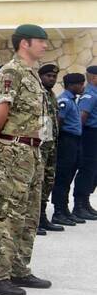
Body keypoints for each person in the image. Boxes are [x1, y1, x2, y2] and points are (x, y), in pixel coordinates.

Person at [0, 24, 52, 295]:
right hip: (15, 150)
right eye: (41, 41)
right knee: (8, 212)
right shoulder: (11, 71)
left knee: (29, 213)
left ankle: (20, 269)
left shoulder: (31, 74)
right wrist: (0, 138)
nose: (45, 46)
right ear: (25, 43)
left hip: (32, 151)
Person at [53, 72, 86, 224]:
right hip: (66, 140)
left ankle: (64, 209)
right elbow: (59, 121)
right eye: (80, 84)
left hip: (74, 140)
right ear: (72, 85)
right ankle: (58, 211)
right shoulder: (64, 100)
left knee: (69, 175)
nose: (82, 86)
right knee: (62, 176)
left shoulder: (72, 100)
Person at [37, 64, 63, 234]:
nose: (51, 79)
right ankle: (34, 220)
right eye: (48, 76)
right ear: (40, 76)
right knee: (38, 182)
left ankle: (42, 216)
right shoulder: (38, 94)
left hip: (51, 144)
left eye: (54, 77)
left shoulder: (52, 95)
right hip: (39, 145)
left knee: (48, 181)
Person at [75, 65, 97, 220]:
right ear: (95, 77)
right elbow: (82, 117)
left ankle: (86, 201)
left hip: (94, 135)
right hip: (89, 135)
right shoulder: (90, 94)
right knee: (87, 170)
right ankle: (79, 205)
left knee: (93, 171)